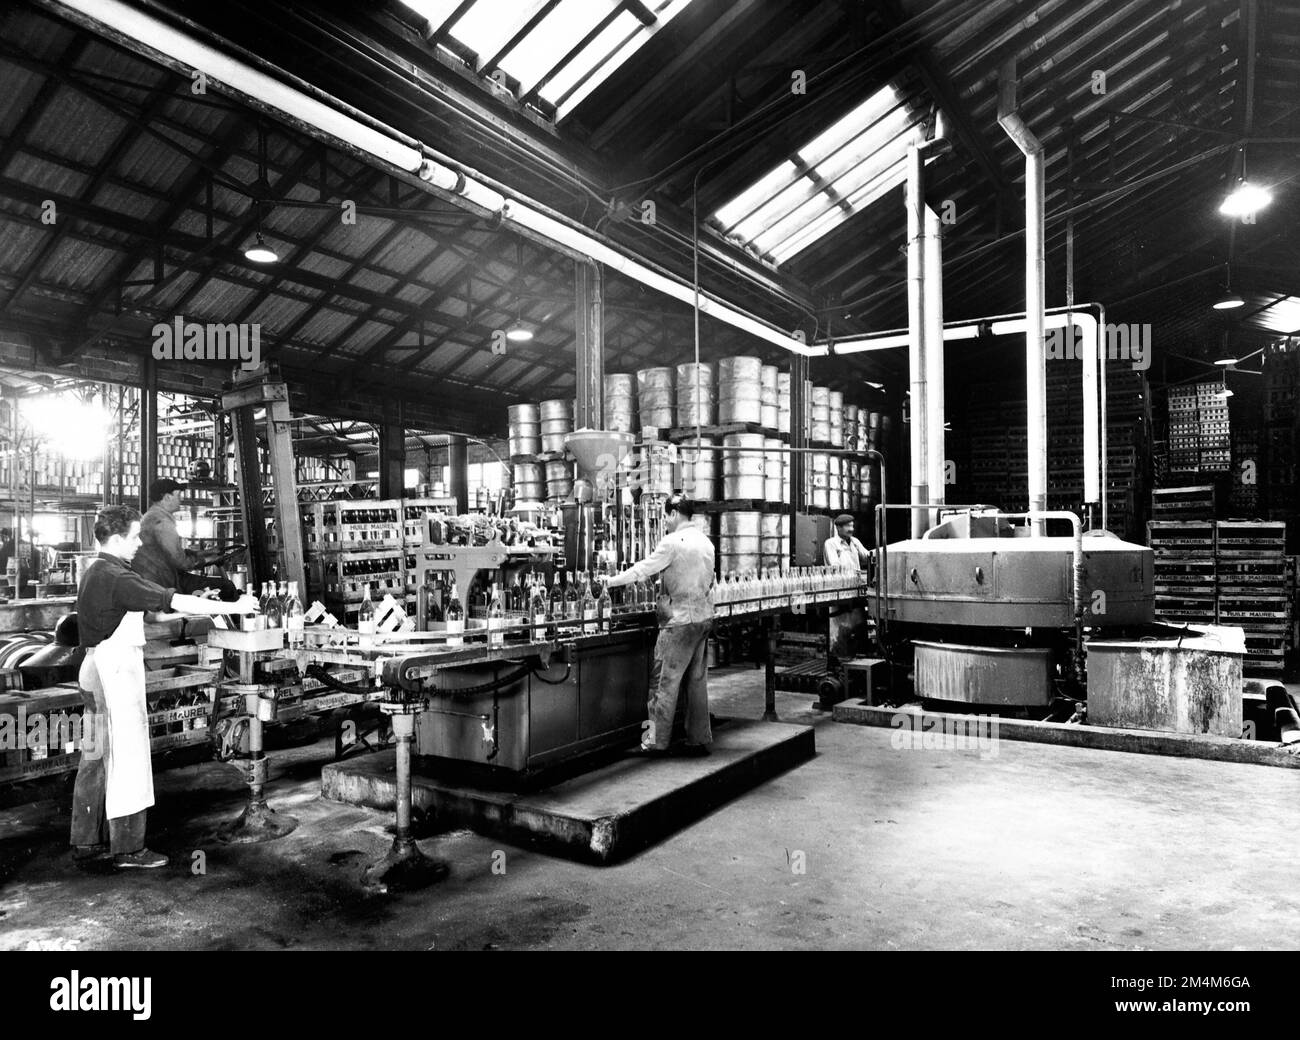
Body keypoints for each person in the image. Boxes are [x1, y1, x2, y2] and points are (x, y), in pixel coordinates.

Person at [70, 505, 257, 869]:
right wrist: (236, 602)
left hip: (94, 669)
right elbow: (168, 599)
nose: (139, 543)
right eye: (135, 536)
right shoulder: (115, 575)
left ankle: (86, 841)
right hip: (115, 671)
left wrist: (199, 606)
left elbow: (153, 611)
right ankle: (128, 848)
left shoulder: (98, 571)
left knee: (95, 756)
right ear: (117, 537)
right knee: (127, 757)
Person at [605, 494, 714, 757]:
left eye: (665, 515)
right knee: (696, 683)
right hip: (703, 617)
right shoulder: (706, 542)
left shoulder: (673, 542)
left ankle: (653, 742)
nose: (664, 521)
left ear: (675, 513)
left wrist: (609, 581)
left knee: (662, 682)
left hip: (679, 622)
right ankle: (698, 739)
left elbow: (643, 569)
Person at [132, 478, 236, 597]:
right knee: (226, 586)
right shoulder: (162, 522)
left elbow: (175, 553)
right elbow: (182, 563)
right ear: (167, 497)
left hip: (157, 577)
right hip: (163, 582)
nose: (181, 500)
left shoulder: (151, 516)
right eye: (178, 495)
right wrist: (209, 560)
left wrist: (207, 552)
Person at [823, 514, 872, 666]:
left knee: (856, 626)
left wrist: (882, 553)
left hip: (856, 591)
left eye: (852, 526)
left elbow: (867, 556)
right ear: (838, 528)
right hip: (840, 591)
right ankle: (837, 664)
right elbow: (835, 566)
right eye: (847, 526)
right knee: (840, 629)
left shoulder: (855, 541)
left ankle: (855, 660)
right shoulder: (831, 544)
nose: (851, 529)